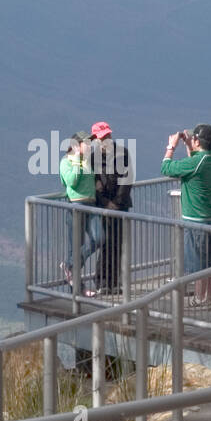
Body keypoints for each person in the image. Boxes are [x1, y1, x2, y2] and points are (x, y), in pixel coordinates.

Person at [161, 123, 211, 306]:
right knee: (210, 261)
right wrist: (189, 145)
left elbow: (166, 168)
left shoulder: (196, 162)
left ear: (197, 140)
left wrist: (171, 147)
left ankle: (199, 298)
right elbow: (193, 164)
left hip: (196, 218)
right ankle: (208, 297)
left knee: (198, 263)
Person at [91, 120, 132, 295]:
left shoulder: (122, 153)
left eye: (107, 136)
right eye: (102, 137)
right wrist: (106, 202)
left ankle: (114, 282)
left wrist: (116, 201)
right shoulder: (92, 158)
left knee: (117, 244)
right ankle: (101, 281)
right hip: (103, 207)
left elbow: (127, 179)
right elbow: (92, 183)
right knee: (105, 243)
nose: (105, 139)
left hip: (120, 206)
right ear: (96, 139)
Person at [60, 130, 102, 293]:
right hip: (76, 207)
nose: (90, 146)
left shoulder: (87, 160)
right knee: (75, 246)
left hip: (91, 206)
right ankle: (78, 291)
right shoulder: (66, 162)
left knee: (99, 238)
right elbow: (72, 181)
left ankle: (69, 264)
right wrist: (77, 159)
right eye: (87, 143)